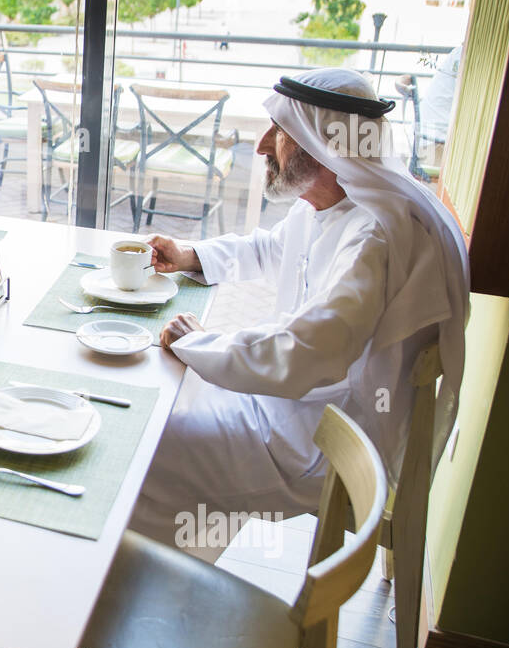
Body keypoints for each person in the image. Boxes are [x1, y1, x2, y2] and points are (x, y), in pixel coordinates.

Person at [132, 67, 470, 561]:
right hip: (301, 404)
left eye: (281, 131)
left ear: (325, 144)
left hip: (323, 435)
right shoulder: (332, 206)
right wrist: (191, 255)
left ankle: (147, 590)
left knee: (148, 446)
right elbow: (274, 250)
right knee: (159, 405)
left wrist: (198, 342)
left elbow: (308, 353)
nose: (263, 145)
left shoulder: (373, 234)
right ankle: (164, 569)